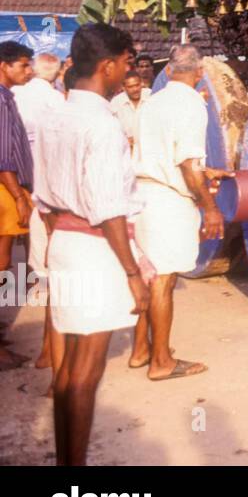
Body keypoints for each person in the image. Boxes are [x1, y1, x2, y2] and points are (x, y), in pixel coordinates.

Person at [33, 24, 146, 465]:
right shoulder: (101, 124)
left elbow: (44, 196)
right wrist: (133, 274)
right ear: (108, 66)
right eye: (126, 63)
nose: (128, 72)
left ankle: (67, 461)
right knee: (86, 368)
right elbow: (107, 209)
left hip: (64, 239)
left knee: (70, 366)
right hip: (96, 246)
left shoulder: (55, 115)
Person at [128, 45, 225, 378]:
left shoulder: (150, 103)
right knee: (163, 281)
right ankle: (161, 363)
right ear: (200, 75)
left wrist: (203, 170)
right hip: (167, 202)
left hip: (142, 195)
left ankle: (142, 350)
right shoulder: (193, 105)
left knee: (150, 274)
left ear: (168, 71)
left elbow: (163, 154)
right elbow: (186, 163)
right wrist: (209, 208)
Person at [12, 52, 67, 381]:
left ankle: (48, 352)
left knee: (46, 274)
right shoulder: (55, 103)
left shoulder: (15, 95)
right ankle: (54, 359)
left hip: (27, 184)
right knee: (61, 284)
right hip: (48, 194)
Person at [0, 41, 35, 371]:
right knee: (0, 267)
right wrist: (20, 196)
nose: (30, 71)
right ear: (4, 66)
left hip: (7, 189)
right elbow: (3, 157)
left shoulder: (7, 97)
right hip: (4, 191)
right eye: (23, 65)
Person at [111, 70, 150, 154]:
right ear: (123, 88)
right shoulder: (116, 103)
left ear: (141, 83)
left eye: (137, 85)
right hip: (128, 151)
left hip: (151, 148)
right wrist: (123, 140)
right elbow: (112, 131)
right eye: (130, 86)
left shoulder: (151, 96)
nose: (135, 89)